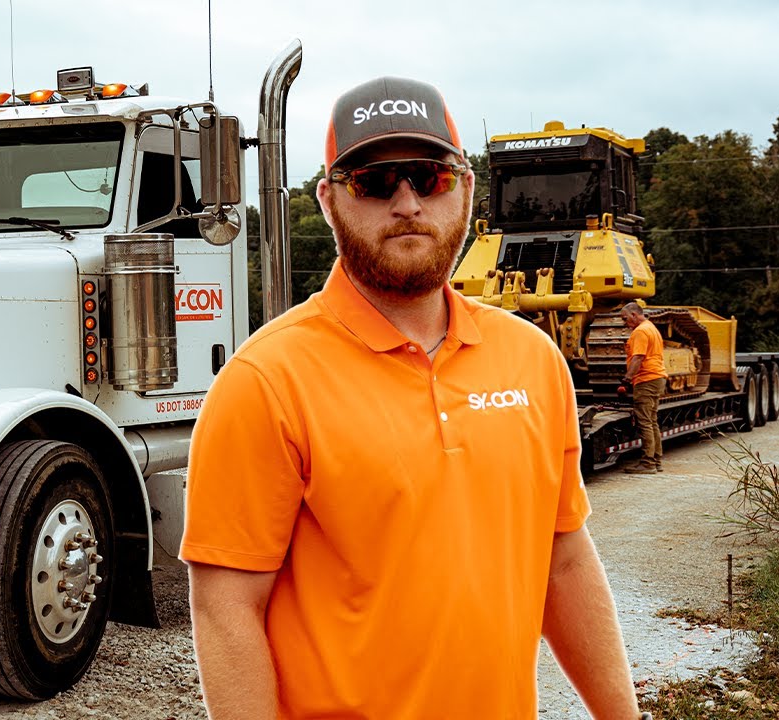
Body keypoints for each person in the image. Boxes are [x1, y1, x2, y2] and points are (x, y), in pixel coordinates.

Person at [180, 77, 643, 719]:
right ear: (328, 200)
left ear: (466, 189)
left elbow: (563, 562)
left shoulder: (531, 360)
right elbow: (228, 607)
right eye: (375, 181)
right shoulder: (266, 381)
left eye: (428, 178)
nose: (406, 203)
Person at [620, 302, 668, 473]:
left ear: (634, 314)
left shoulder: (640, 331)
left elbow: (638, 357)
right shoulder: (651, 327)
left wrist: (626, 379)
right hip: (657, 377)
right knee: (652, 420)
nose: (625, 323)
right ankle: (656, 460)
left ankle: (648, 463)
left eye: (626, 319)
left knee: (645, 422)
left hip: (646, 379)